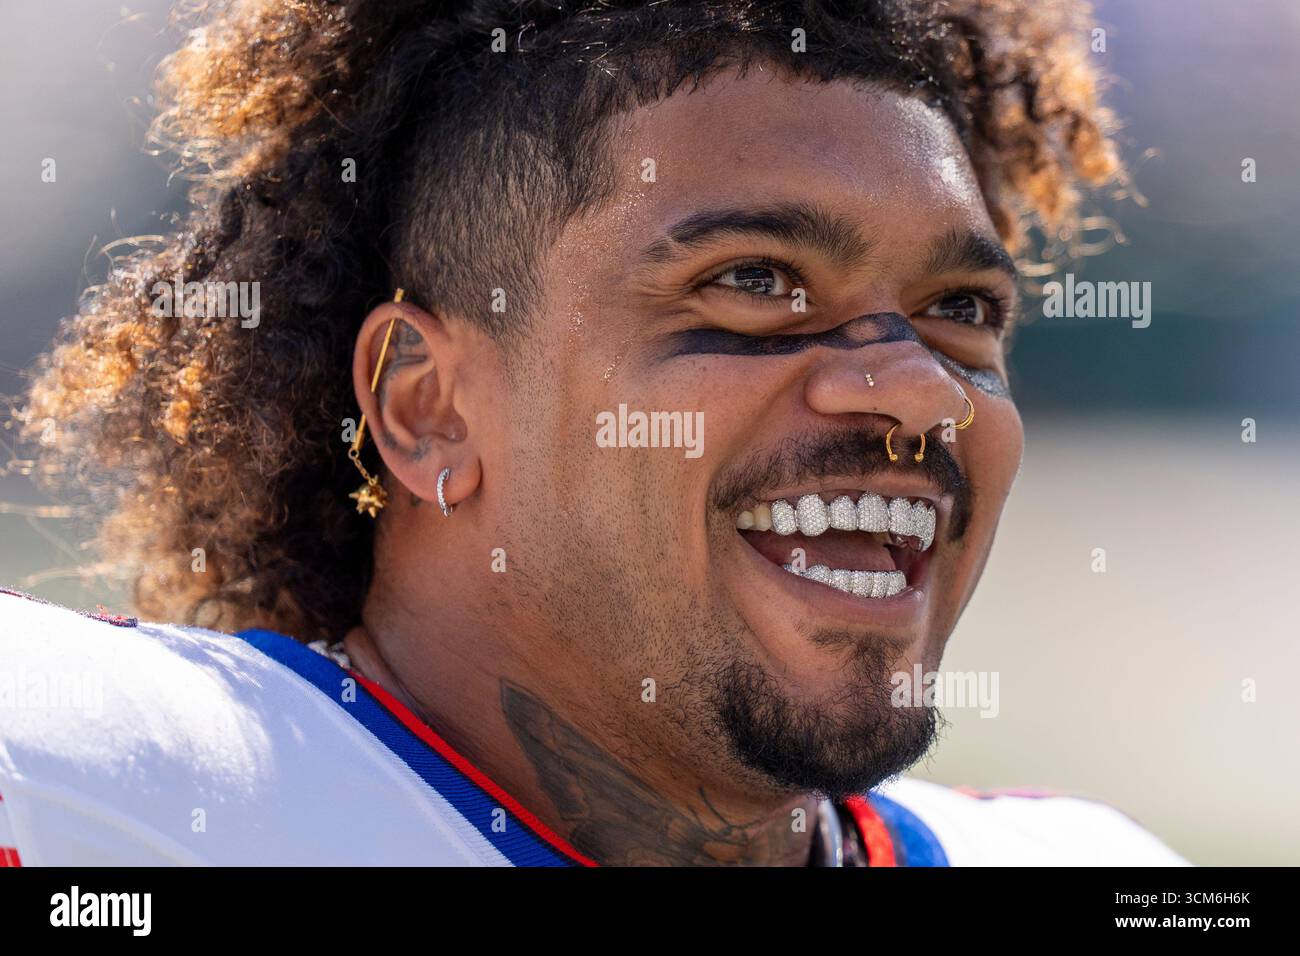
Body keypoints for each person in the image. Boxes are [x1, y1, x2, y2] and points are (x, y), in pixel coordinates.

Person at [1, 0, 1186, 866]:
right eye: (758, 282)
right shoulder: (84, 775)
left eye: (960, 313)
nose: (922, 392)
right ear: (427, 406)